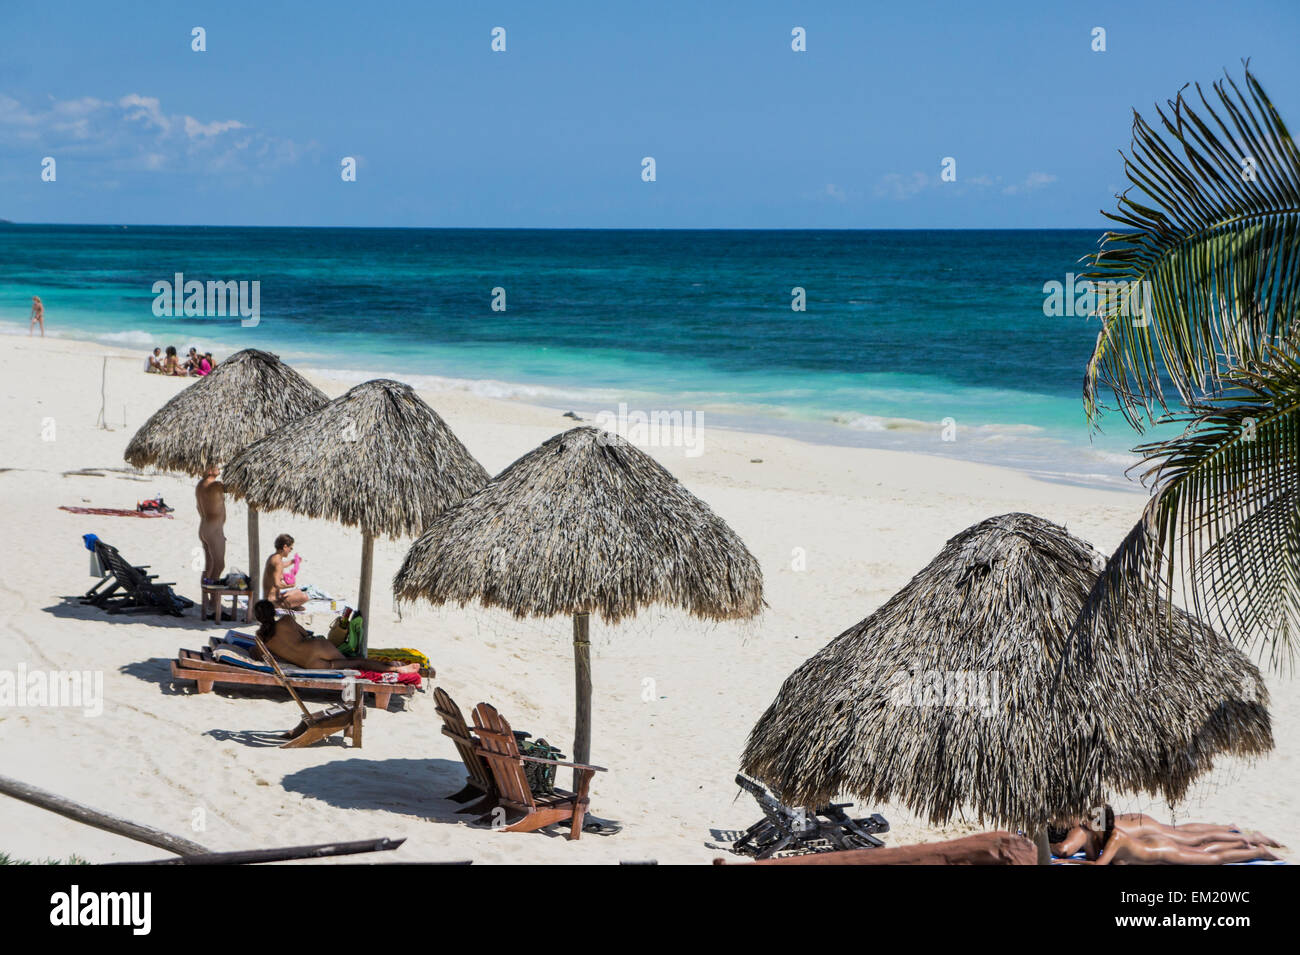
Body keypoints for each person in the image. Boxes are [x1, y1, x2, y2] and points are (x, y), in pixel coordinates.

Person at [1051, 806, 1282, 865]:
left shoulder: (1110, 837)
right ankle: (1241, 839)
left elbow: (1069, 852)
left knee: (1207, 855)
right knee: (1192, 840)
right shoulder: (1097, 834)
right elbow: (1093, 857)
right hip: (1150, 838)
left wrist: (1061, 856)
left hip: (1162, 849)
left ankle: (1251, 846)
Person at [252, 600, 418, 673]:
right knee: (357, 661)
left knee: (355, 664)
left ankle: (394, 667)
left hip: (310, 664)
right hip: (316, 648)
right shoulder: (286, 620)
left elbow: (262, 657)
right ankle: (394, 667)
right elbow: (304, 634)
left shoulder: (260, 638)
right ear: (273, 611)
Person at [196, 465, 227, 620]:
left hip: (204, 526)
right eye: (216, 467)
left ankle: (205, 599)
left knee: (208, 566)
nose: (219, 468)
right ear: (209, 470)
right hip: (214, 529)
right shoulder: (216, 486)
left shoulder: (200, 485)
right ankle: (214, 602)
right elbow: (234, 488)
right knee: (219, 565)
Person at [264, 534, 309, 610]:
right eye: (290, 548)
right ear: (285, 547)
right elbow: (277, 584)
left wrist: (292, 561)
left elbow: (281, 565)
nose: (290, 551)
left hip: (272, 596)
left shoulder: (273, 557)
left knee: (298, 591)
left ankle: (292, 605)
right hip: (273, 601)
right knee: (304, 597)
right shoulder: (277, 561)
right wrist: (290, 585)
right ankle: (288, 606)